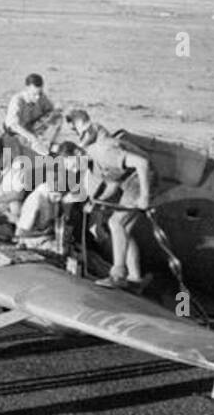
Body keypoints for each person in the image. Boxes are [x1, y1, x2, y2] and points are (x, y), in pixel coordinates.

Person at [64, 109, 153, 289]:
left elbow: (142, 163)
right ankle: (135, 278)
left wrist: (145, 196)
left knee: (116, 223)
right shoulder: (93, 163)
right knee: (123, 229)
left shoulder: (102, 152)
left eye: (73, 166)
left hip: (140, 178)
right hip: (128, 181)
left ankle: (117, 276)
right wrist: (97, 202)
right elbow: (113, 183)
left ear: (78, 155)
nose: (74, 171)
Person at [4, 73, 60, 154]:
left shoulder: (41, 97)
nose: (37, 97)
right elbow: (13, 125)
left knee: (57, 117)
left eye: (39, 93)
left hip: (33, 129)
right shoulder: (17, 100)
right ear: (27, 88)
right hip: (18, 133)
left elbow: (51, 111)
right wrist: (33, 138)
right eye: (34, 94)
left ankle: (48, 146)